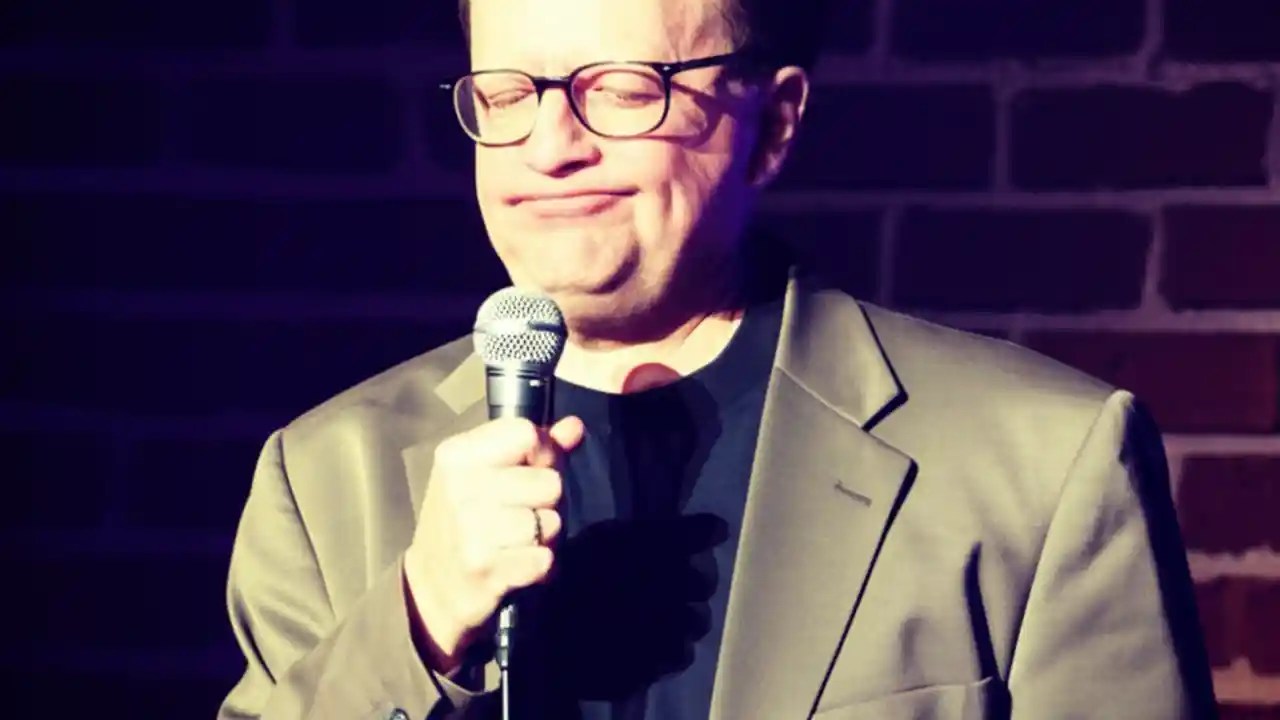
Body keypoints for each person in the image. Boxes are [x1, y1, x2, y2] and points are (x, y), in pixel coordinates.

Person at [218, 0, 1218, 717]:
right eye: (507, 91)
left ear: (773, 124)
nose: (549, 145)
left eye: (619, 89)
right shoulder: (319, 478)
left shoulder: (1040, 468)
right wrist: (418, 621)